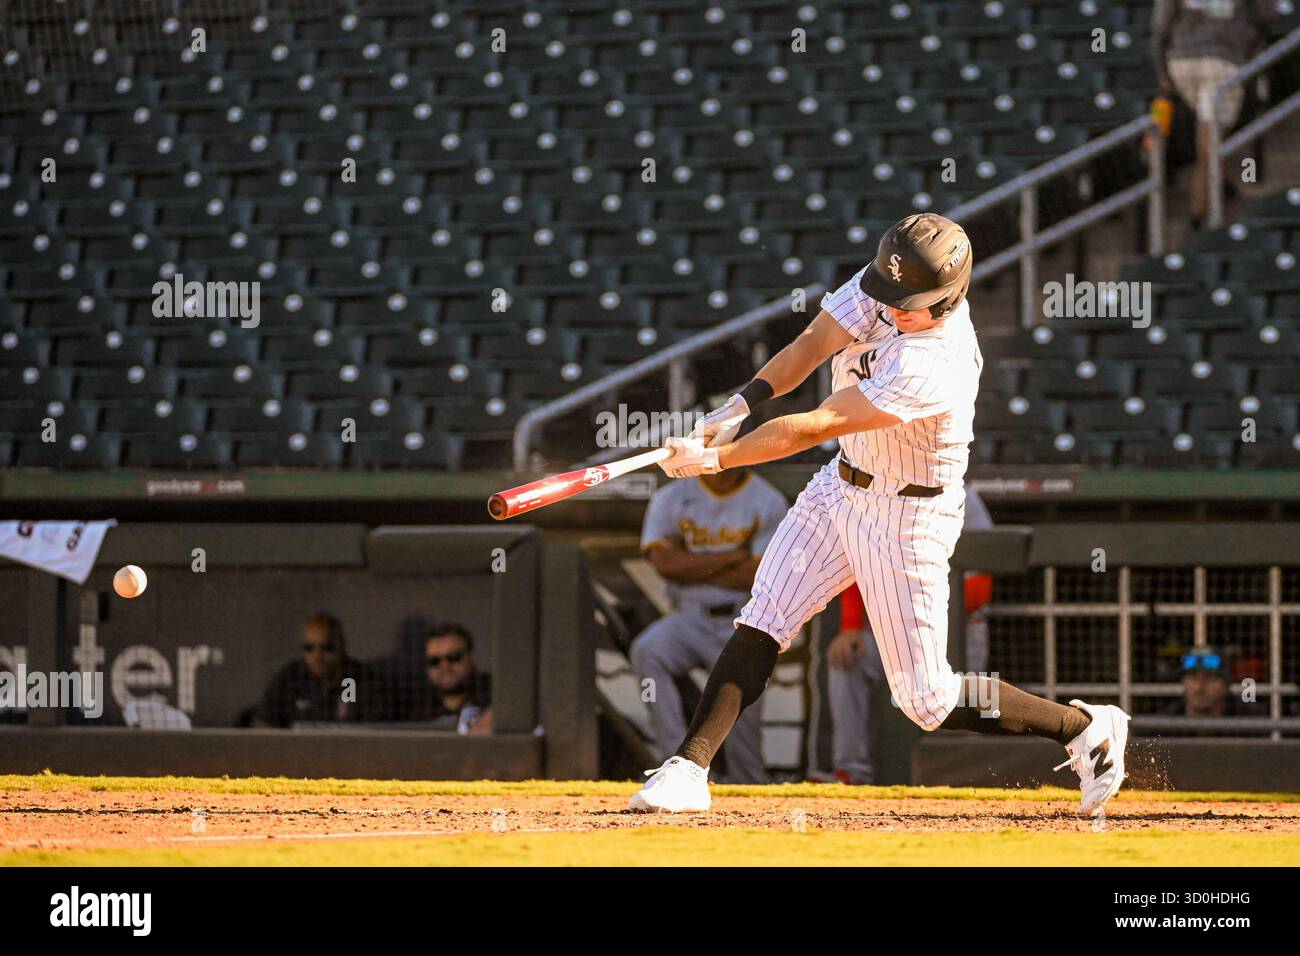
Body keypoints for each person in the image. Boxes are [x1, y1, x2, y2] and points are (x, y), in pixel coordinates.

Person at [629, 213, 1129, 814]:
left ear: (947, 300)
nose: (890, 309)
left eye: (908, 304)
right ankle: (688, 768)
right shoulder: (886, 288)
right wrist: (739, 405)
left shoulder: (936, 361)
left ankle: (1081, 727)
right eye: (888, 294)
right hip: (839, 488)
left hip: (908, 515)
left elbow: (815, 424)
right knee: (765, 616)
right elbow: (812, 345)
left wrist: (715, 458)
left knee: (927, 702)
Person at [632, 468, 788, 783]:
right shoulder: (672, 497)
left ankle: (750, 784)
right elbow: (666, 564)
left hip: (745, 619)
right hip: (688, 616)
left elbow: (756, 575)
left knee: (744, 710)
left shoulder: (767, 499)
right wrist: (733, 556)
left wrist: (690, 561)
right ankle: (675, 767)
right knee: (648, 650)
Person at [1152, 0, 1277, 225]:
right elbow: (1266, 14)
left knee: (1210, 135)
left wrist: (1161, 66)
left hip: (1180, 60)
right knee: (1210, 145)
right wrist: (1249, 40)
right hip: (1221, 60)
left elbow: (1160, 25)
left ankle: (1218, 185)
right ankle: (1199, 219)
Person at [253, 612, 388, 726]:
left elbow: (374, 736)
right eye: (309, 648)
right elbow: (263, 727)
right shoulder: (291, 678)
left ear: (342, 647)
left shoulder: (363, 680)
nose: (317, 656)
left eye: (327, 647)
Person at [408, 623, 492, 732]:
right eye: (434, 661)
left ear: (471, 658)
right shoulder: (421, 710)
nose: (445, 666)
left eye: (453, 657)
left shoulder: (494, 695)